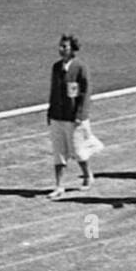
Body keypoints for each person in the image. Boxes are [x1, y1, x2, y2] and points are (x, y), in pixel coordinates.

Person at [47, 34, 94, 198]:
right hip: (57, 116)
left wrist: (80, 114)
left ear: (72, 49)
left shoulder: (80, 67)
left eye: (65, 47)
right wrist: (50, 112)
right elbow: (53, 91)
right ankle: (59, 185)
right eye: (60, 46)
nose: (61, 50)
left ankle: (87, 175)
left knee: (78, 150)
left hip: (73, 117)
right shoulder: (56, 67)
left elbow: (86, 92)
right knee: (58, 152)